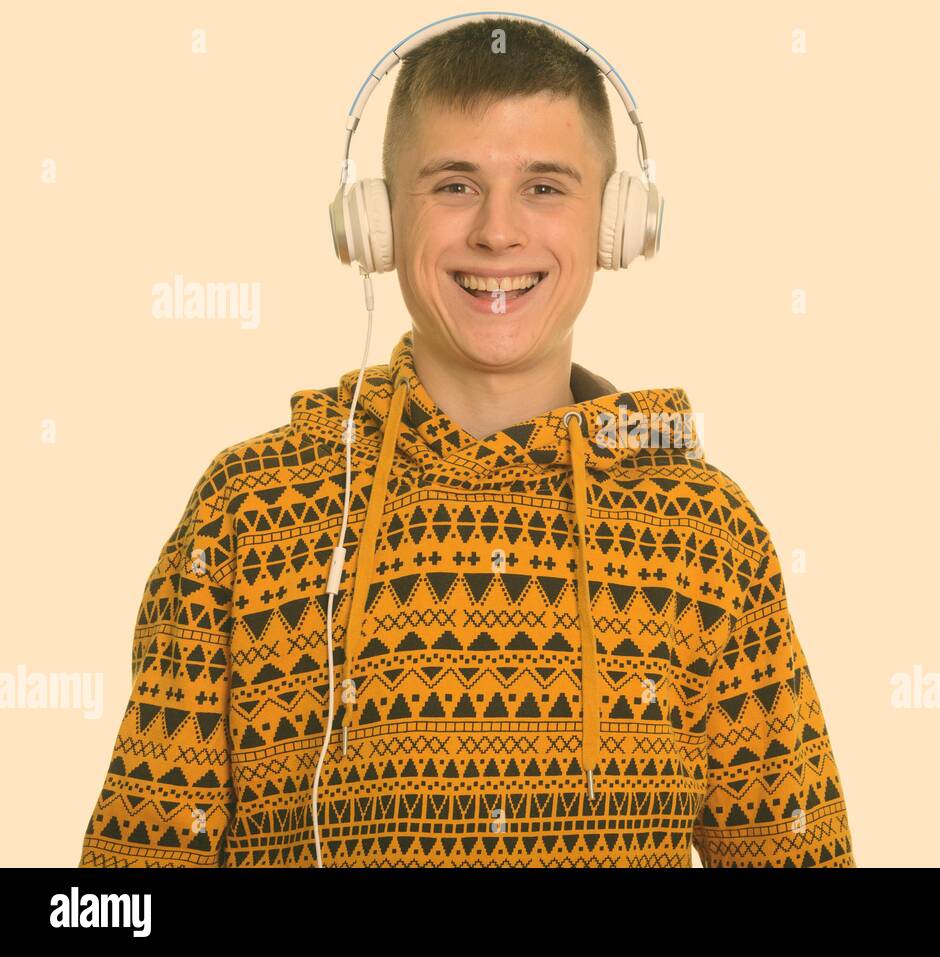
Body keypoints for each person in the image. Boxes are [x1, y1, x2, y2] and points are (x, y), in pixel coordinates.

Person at [77, 15, 854, 867]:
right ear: (375, 224)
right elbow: (127, 890)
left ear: (617, 224)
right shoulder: (246, 513)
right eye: (453, 184)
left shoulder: (707, 533)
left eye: (545, 187)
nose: (497, 231)